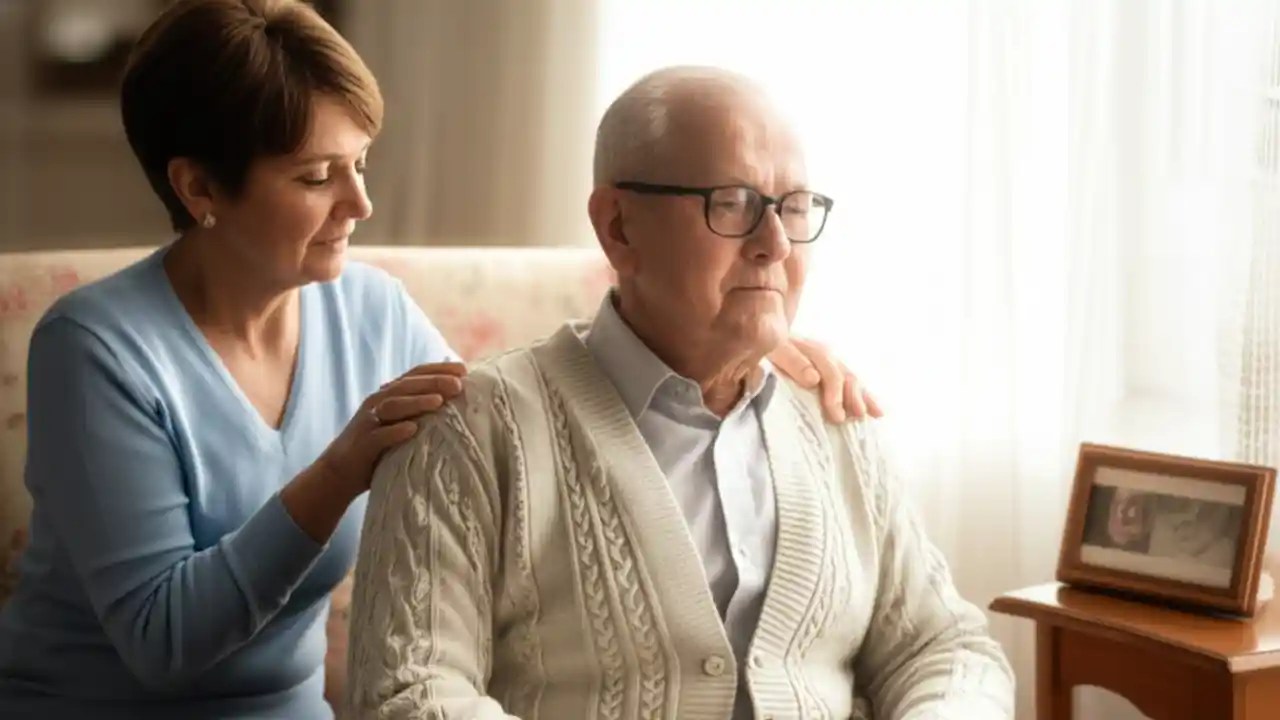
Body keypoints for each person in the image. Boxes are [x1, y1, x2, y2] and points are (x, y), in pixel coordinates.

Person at [0, 3, 874, 718]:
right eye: (316, 177)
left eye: (361, 164)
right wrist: (339, 469)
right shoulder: (94, 348)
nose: (360, 203)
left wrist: (738, 338)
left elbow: (524, 423)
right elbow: (164, 640)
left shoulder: (370, 309)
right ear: (198, 188)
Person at [346, 66, 1014, 720]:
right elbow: (411, 695)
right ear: (618, 226)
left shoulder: (839, 420)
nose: (775, 244)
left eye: (794, 207)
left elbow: (945, 649)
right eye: (733, 203)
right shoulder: (468, 433)